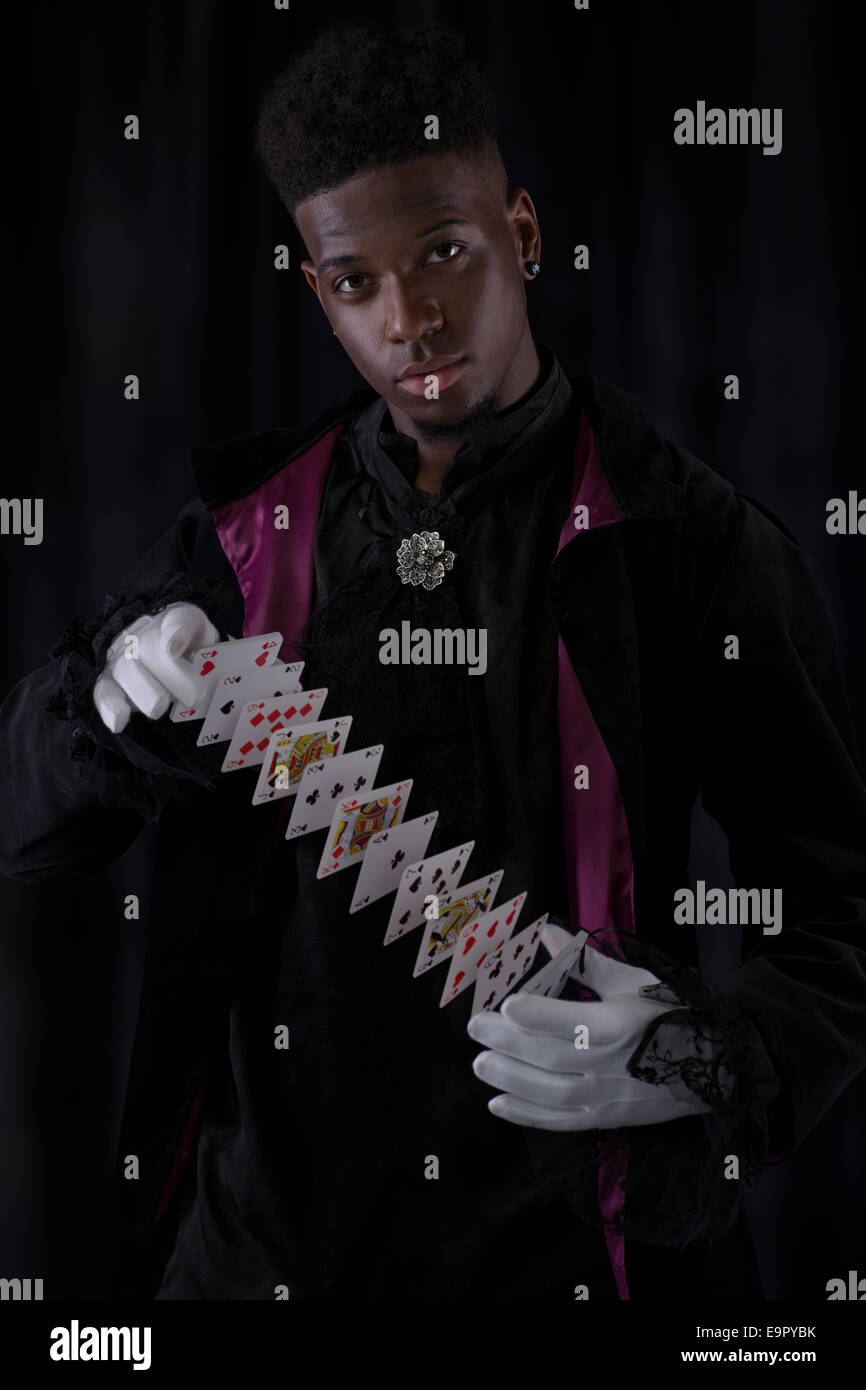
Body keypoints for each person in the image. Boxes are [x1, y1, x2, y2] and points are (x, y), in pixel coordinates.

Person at [2, 21, 865, 1302]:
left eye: (443, 252)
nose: (407, 320)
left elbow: (839, 917)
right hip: (258, 1264)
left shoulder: (691, 543)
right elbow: (26, 825)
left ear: (521, 232)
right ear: (317, 292)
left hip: (584, 1262)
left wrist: (698, 1057)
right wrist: (100, 703)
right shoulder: (240, 541)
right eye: (356, 282)